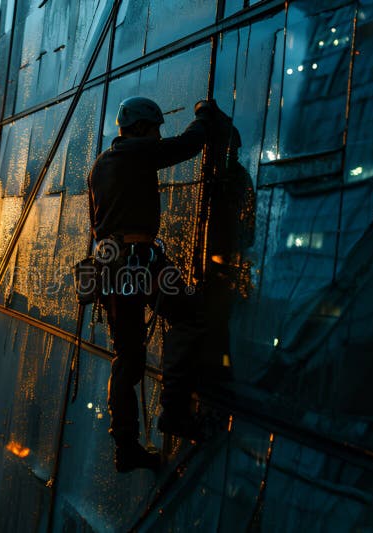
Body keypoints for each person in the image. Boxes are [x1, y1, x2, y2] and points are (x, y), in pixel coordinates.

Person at [87, 96, 225, 472]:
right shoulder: (137, 152)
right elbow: (187, 146)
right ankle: (176, 411)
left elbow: (96, 223)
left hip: (110, 268)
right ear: (141, 128)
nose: (158, 134)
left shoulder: (100, 165)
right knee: (188, 315)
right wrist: (203, 117)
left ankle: (126, 446)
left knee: (127, 358)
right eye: (155, 128)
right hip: (140, 260)